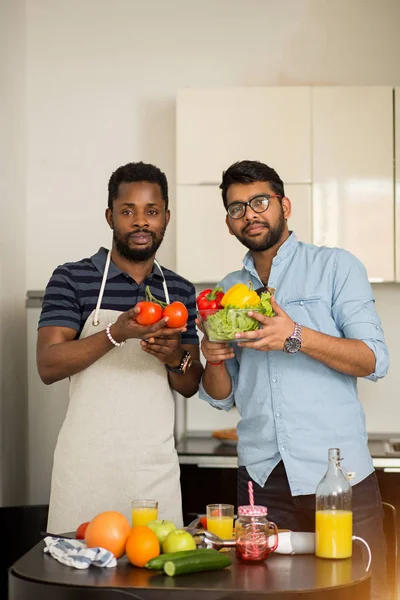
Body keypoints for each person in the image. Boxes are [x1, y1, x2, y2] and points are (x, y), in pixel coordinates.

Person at [198, 160, 389, 599]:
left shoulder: (336, 267)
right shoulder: (224, 291)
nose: (250, 214)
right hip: (262, 480)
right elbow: (222, 397)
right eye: (236, 208)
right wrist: (213, 358)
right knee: (268, 593)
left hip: (339, 479)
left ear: (284, 205)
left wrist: (296, 335)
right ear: (229, 224)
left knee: (362, 590)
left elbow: (374, 359)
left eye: (260, 201)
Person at [37, 161, 203, 533]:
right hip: (85, 468)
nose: (141, 222)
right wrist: (116, 333)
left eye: (152, 212)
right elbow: (48, 366)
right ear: (111, 216)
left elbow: (191, 384)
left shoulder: (178, 291)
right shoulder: (72, 277)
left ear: (166, 218)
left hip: (153, 470)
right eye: (128, 211)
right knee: (78, 584)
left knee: (154, 581)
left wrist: (175, 355)